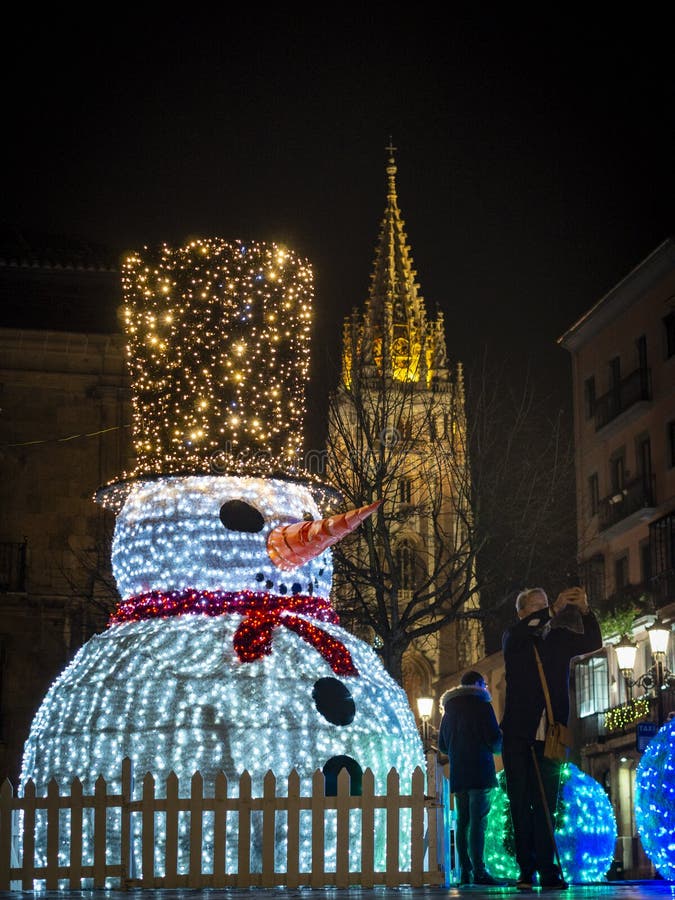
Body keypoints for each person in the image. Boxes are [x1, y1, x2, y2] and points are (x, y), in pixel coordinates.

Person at [500, 585, 602, 891]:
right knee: (520, 803)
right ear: (522, 613)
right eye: (536, 607)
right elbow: (521, 634)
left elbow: (593, 642)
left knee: (547, 804)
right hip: (518, 734)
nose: (544, 611)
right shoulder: (514, 637)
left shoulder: (558, 639)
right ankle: (526, 869)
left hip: (552, 734)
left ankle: (548, 869)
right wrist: (553, 609)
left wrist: (585, 611)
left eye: (545, 605)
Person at [438, 669, 503, 886]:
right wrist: (500, 743)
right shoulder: (482, 705)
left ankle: (465, 872)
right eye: (484, 684)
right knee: (478, 822)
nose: (485, 688)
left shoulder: (449, 710)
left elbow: (442, 746)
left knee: (463, 822)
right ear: (477, 684)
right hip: (480, 771)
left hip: (459, 772)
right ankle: (480, 872)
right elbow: (494, 740)